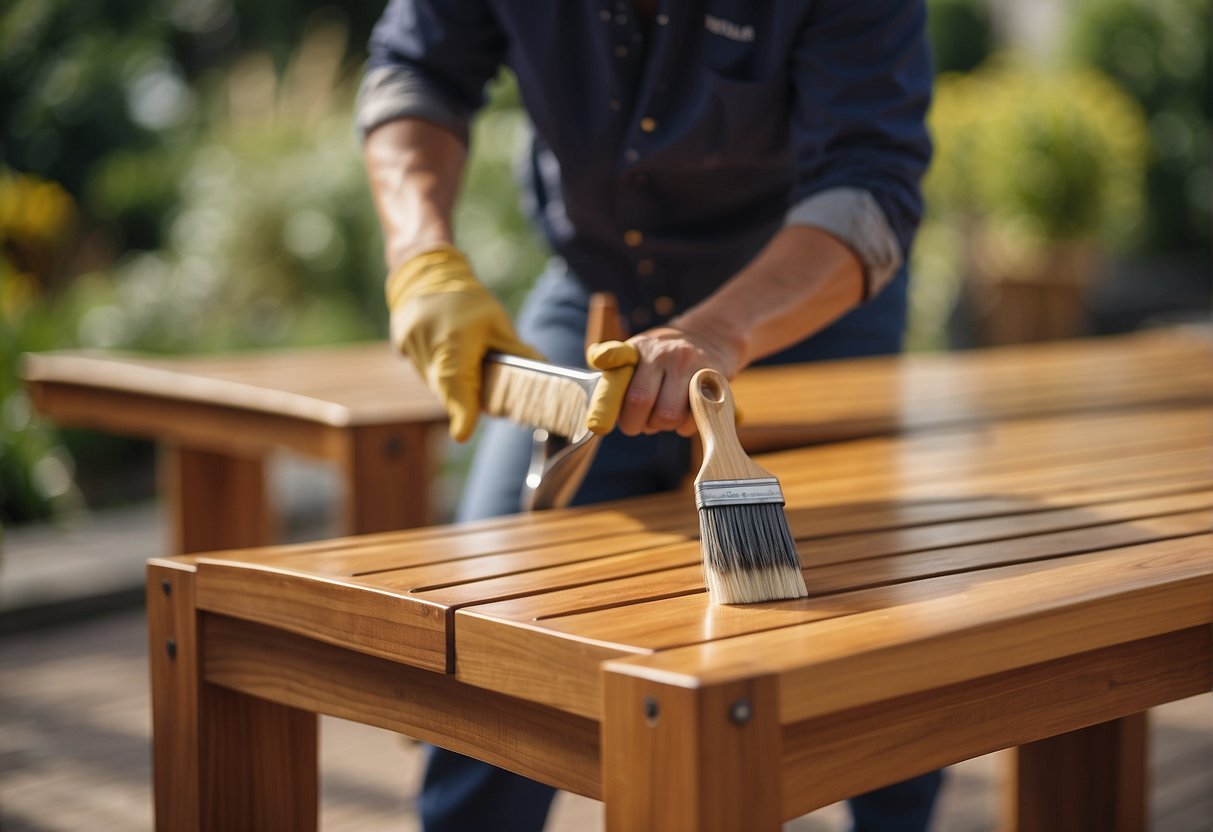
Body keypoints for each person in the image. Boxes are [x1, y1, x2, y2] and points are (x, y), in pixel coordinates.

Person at [359, 2, 938, 830]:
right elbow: (414, 72)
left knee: (870, 657)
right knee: (495, 625)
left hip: (805, 312)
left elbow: (871, 188)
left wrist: (716, 332)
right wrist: (420, 259)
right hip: (597, 309)